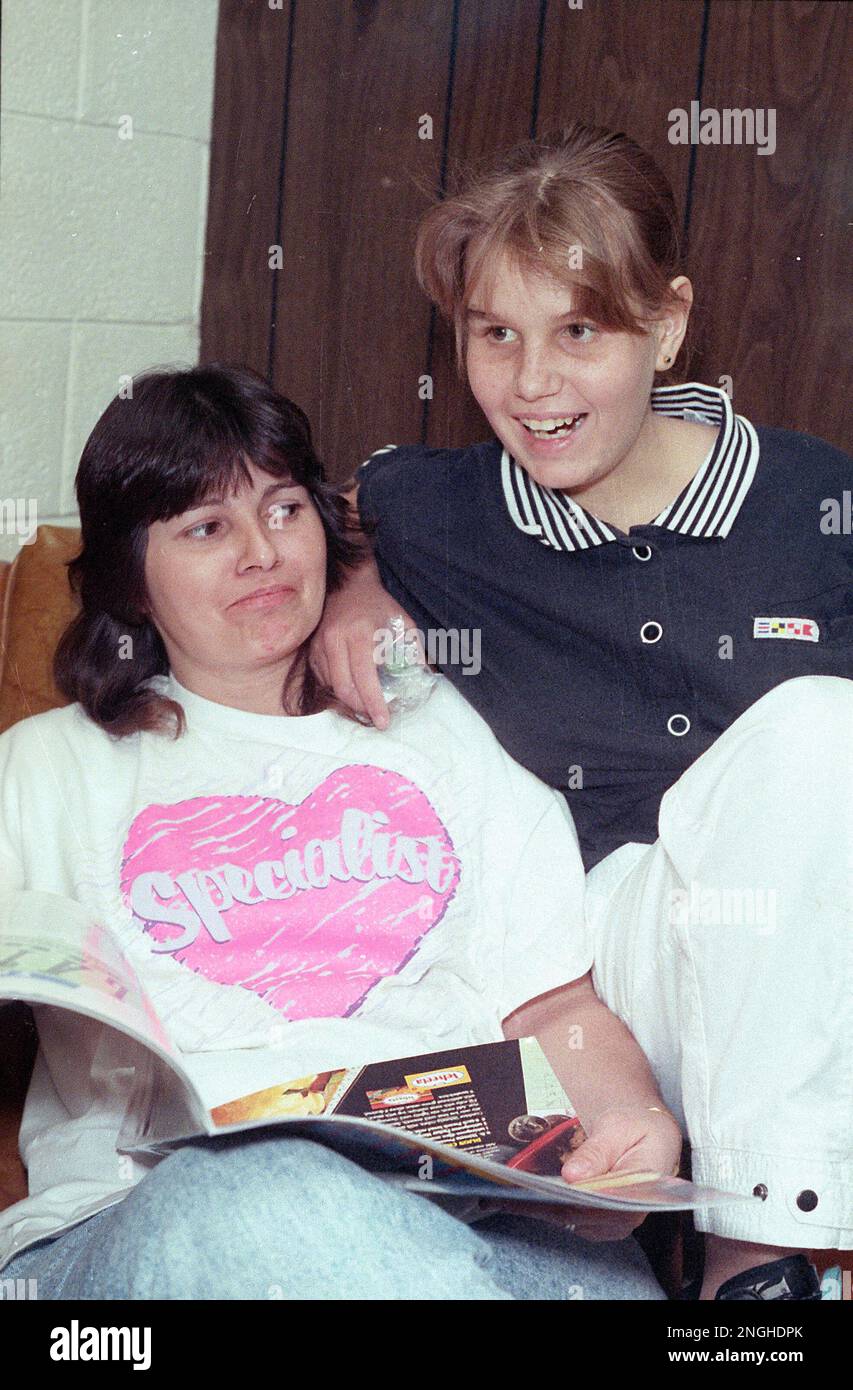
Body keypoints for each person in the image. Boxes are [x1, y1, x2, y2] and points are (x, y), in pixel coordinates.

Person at [0, 364, 683, 1301]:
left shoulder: (432, 723)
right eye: (207, 528)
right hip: (156, 1220)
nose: (262, 554)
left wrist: (628, 1121)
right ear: (130, 576)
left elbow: (551, 1006)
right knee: (275, 1201)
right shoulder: (49, 767)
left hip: (477, 1224)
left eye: (283, 511)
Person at [310, 122, 853, 1301]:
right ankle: (760, 1267)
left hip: (806, 953)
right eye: (493, 334)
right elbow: (311, 520)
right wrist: (354, 589)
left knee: (820, 731)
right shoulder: (432, 507)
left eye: (579, 332)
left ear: (665, 322)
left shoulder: (817, 499)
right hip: (605, 972)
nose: (532, 384)